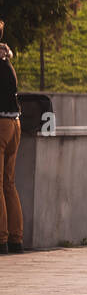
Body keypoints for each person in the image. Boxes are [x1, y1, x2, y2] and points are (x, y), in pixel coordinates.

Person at [0, 21, 23, 254]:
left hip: (1, 125)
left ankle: (2, 239)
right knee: (9, 183)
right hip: (15, 123)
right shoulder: (6, 59)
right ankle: (16, 239)